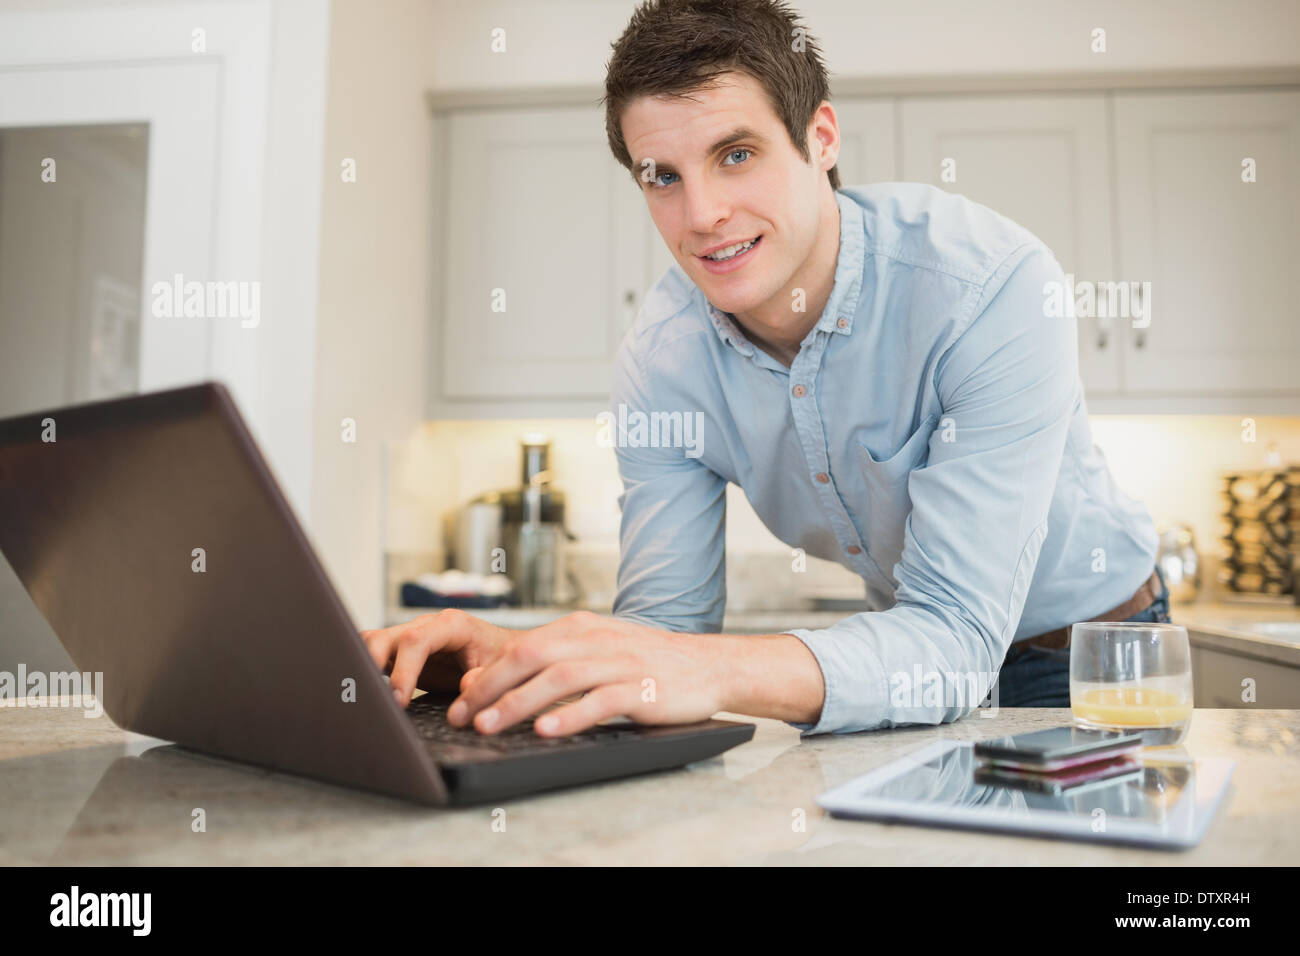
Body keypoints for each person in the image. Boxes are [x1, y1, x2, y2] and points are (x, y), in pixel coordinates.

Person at [362, 0, 1167, 737]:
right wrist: (513, 657)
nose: (701, 215)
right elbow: (664, 642)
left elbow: (955, 638)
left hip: (1091, 654)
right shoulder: (663, 359)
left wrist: (713, 670)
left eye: (736, 154)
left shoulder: (989, 288)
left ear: (820, 137)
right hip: (905, 663)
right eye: (662, 177)